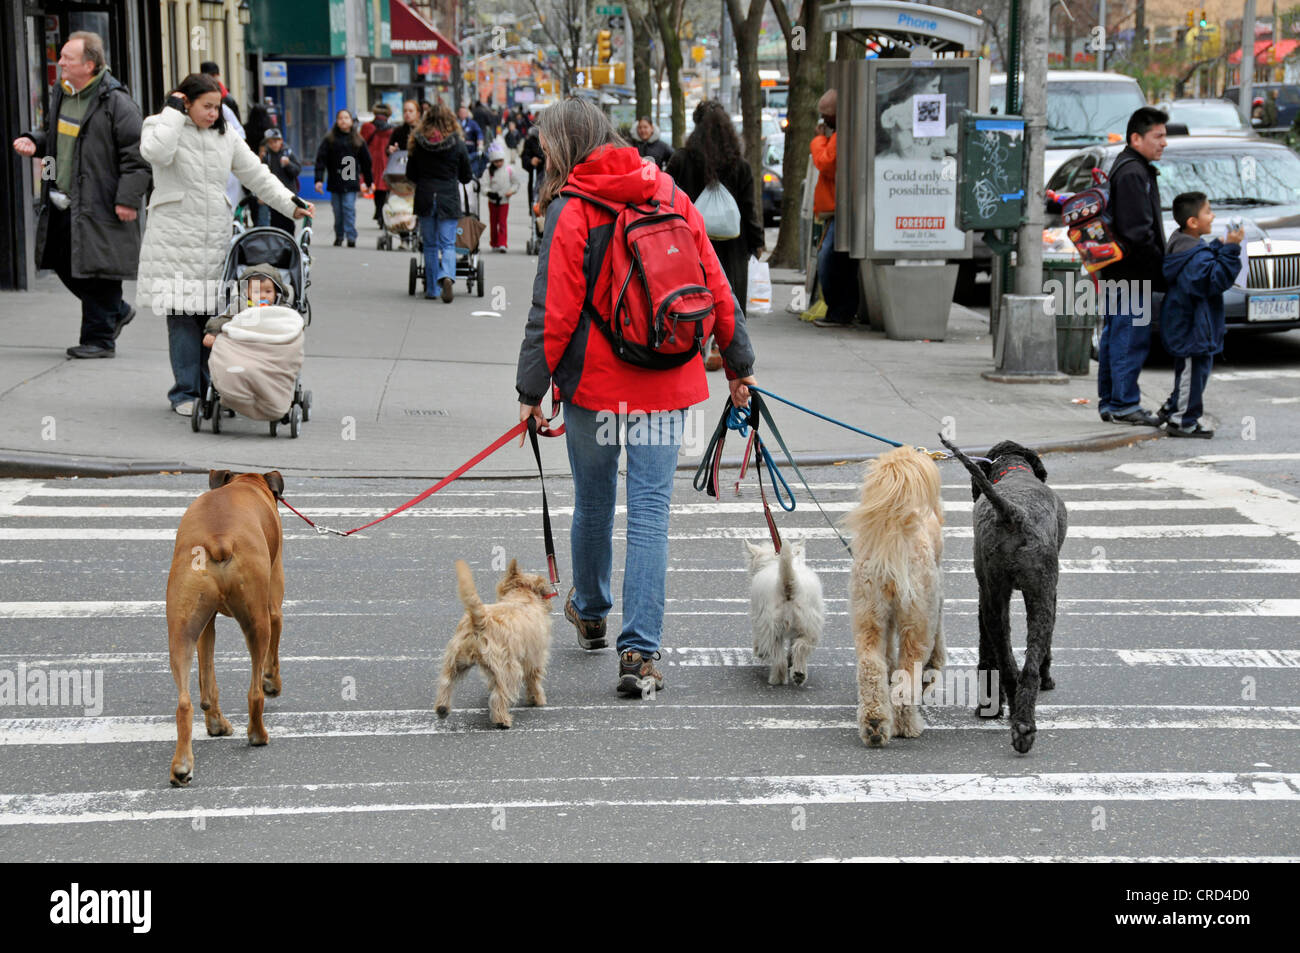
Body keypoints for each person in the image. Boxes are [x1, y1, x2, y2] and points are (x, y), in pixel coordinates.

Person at [515, 98, 757, 697]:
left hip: (595, 390)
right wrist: (739, 364)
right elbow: (716, 284)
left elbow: (554, 310)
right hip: (668, 382)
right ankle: (640, 653)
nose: (543, 154)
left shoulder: (573, 208)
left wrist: (531, 388)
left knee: (593, 501)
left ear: (568, 145)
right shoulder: (670, 193)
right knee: (650, 513)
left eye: (548, 144)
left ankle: (592, 611)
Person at [136, 72, 312, 416]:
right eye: (206, 106)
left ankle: (212, 390)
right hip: (174, 239)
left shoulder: (225, 136)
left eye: (217, 107)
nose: (214, 113)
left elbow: (257, 174)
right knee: (183, 316)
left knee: (213, 318)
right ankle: (185, 392)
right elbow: (155, 153)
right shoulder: (159, 125)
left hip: (215, 237)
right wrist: (173, 112)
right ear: (185, 101)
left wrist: (291, 202)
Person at [11, 31, 148, 359]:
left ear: (89, 65)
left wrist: (128, 199)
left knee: (99, 270)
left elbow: (138, 155)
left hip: (101, 201)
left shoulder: (116, 102)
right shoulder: (62, 91)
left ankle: (100, 340)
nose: (60, 63)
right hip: (64, 198)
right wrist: (35, 143)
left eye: (67, 59)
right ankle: (117, 310)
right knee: (59, 259)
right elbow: (58, 140)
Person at [666, 100, 763, 371]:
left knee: (694, 290)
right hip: (734, 244)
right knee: (729, 292)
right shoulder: (740, 166)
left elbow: (667, 199)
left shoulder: (682, 160)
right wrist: (756, 241)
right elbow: (748, 208)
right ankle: (725, 345)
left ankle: (695, 340)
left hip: (690, 242)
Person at [1099, 106, 1168, 427]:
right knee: (1128, 336)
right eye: (1159, 136)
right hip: (1132, 272)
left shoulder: (1131, 167)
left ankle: (1112, 403)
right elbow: (1137, 231)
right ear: (1136, 138)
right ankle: (1124, 403)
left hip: (1119, 271)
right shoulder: (1132, 173)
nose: (1164, 142)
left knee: (1116, 333)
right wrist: (1159, 265)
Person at [1156, 192, 1243, 439]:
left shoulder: (1185, 244)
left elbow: (1202, 259)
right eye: (1207, 211)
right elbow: (1213, 280)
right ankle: (1182, 421)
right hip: (1192, 327)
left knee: (1191, 373)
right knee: (1192, 374)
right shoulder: (1193, 255)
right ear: (1193, 222)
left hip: (1192, 325)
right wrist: (1232, 250)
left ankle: (1174, 409)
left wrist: (1219, 245)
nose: (1213, 215)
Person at [406, 103, 471, 302]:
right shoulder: (457, 144)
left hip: (426, 196)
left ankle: (432, 289)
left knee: (430, 245)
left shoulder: (418, 142)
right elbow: (466, 175)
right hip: (448, 197)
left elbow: (411, 174)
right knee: (448, 244)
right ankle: (447, 276)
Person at [810, 89, 860, 328]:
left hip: (839, 208)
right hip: (837, 207)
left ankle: (840, 310)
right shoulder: (840, 135)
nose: (823, 121)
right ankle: (841, 309)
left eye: (826, 115)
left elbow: (826, 163)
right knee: (837, 260)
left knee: (829, 259)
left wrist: (818, 140)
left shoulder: (838, 137)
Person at [313, 109, 373, 247]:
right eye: (340, 118)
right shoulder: (329, 139)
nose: (343, 120)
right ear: (336, 121)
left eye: (346, 118)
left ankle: (351, 236)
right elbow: (320, 160)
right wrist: (318, 180)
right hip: (335, 180)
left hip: (351, 180)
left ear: (352, 121)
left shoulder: (358, 140)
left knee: (348, 208)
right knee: (337, 211)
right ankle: (339, 235)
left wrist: (369, 182)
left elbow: (366, 162)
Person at [201, 264, 286, 348]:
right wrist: (212, 332)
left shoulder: (281, 308)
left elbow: (291, 321)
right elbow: (223, 318)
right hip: (243, 342)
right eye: (256, 292)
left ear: (276, 293)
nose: (263, 296)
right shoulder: (240, 305)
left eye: (268, 291)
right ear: (246, 292)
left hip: (270, 343)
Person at [481, 140, 521, 252]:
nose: (499, 163)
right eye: (496, 161)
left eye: (500, 161)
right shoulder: (488, 171)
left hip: (504, 201)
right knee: (493, 223)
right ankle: (494, 242)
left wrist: (511, 191)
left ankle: (502, 242)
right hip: (493, 200)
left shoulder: (509, 170)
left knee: (502, 222)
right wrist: (489, 192)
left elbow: (516, 183)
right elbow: (483, 185)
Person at [260, 128, 302, 233]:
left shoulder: (288, 153)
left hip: (288, 193)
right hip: (274, 194)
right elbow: (263, 175)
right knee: (275, 221)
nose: (273, 145)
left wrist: (288, 164)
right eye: (270, 142)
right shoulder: (267, 156)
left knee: (288, 221)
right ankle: (278, 243)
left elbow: (297, 171)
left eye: (276, 141)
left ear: (281, 141)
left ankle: (289, 243)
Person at [361, 103, 395, 226]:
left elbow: (361, 143)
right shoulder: (392, 129)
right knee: (386, 189)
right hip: (388, 161)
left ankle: (379, 211)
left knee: (376, 188)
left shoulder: (367, 127)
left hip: (372, 161)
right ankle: (383, 213)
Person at [522, 125, 546, 205]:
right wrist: (530, 161)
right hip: (536, 174)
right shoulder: (531, 140)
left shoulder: (557, 138)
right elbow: (525, 157)